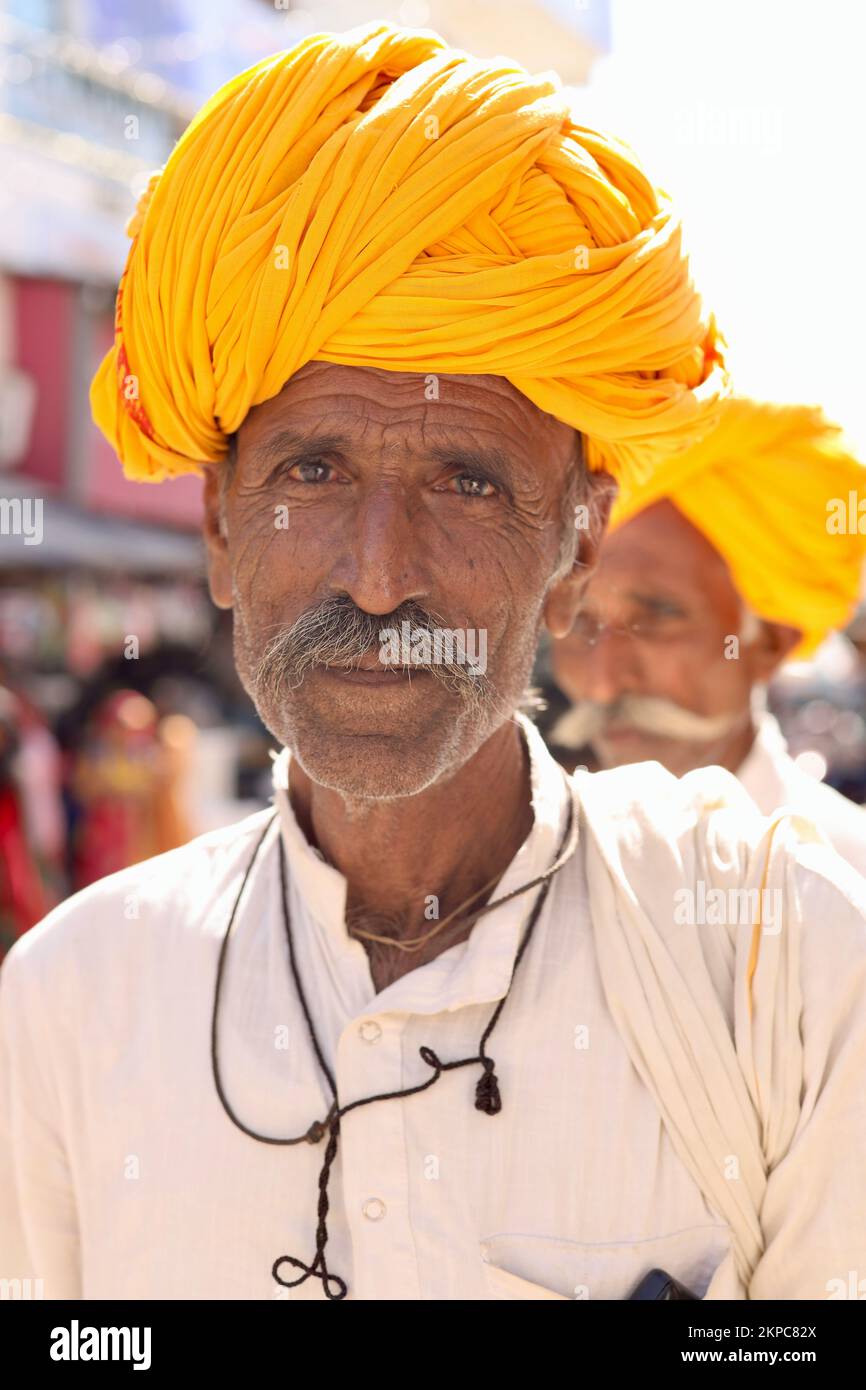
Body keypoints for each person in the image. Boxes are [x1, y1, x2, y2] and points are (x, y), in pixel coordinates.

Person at [1, 23, 864, 1304]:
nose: (376, 574)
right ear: (223, 529)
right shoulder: (76, 998)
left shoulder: (784, 961)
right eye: (312, 471)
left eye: (466, 481)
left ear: (573, 552)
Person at [549, 395, 866, 872]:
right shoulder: (524, 874)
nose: (602, 683)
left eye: (655, 618)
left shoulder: (845, 884)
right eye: (580, 622)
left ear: (772, 643)